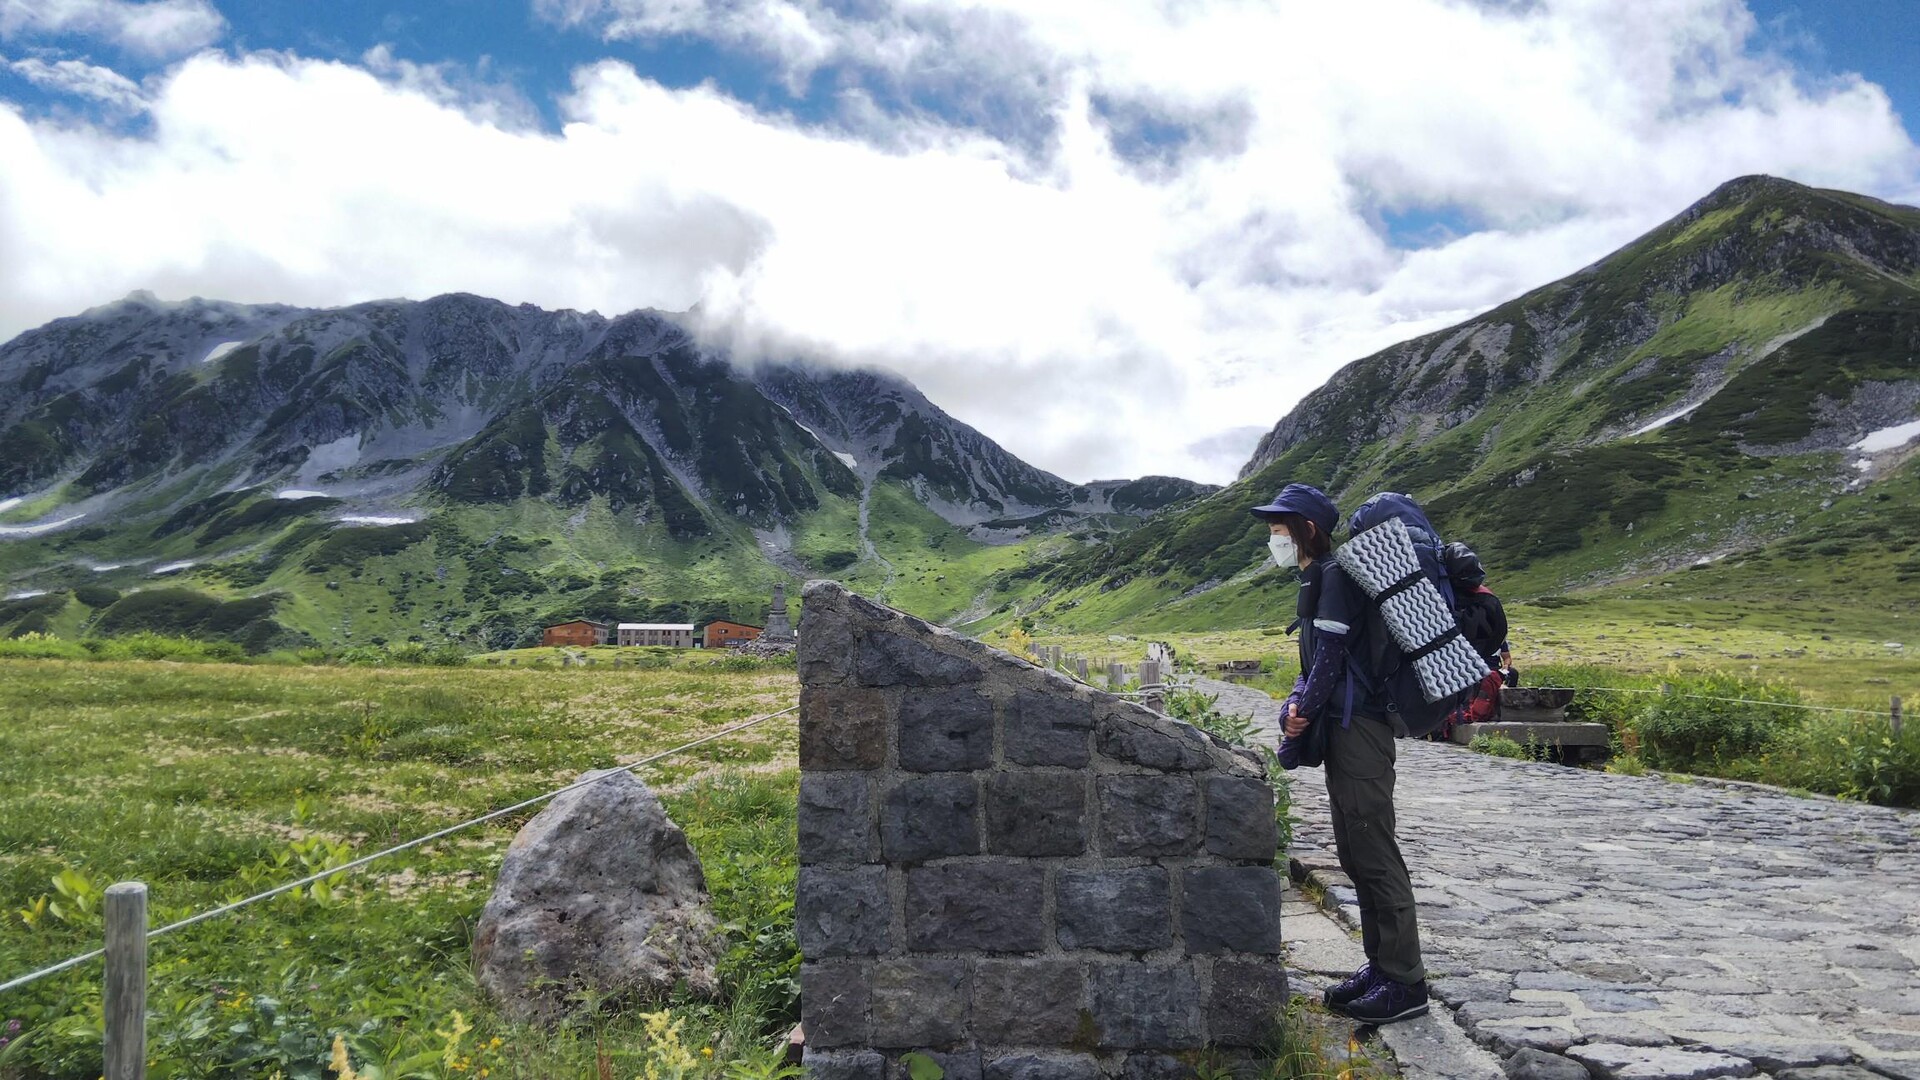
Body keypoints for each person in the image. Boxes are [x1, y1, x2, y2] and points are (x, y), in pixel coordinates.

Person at [1254, 483, 1429, 1026]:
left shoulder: (1332, 576)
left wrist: (1300, 709)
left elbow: (1328, 658)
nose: (1273, 537)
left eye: (1280, 527)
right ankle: (1380, 967)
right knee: (1355, 852)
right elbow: (1313, 666)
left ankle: (1405, 981)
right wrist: (1294, 704)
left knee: (1373, 849)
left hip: (1361, 731)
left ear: (1307, 530)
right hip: (1343, 729)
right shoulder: (1319, 578)